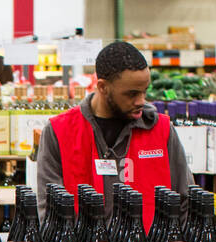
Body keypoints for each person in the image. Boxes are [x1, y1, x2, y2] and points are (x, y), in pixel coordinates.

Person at [36, 40, 193, 230]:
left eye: (144, 92)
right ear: (102, 87)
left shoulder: (162, 130)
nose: (141, 101)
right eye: (132, 94)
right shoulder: (59, 132)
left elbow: (186, 200)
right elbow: (49, 210)